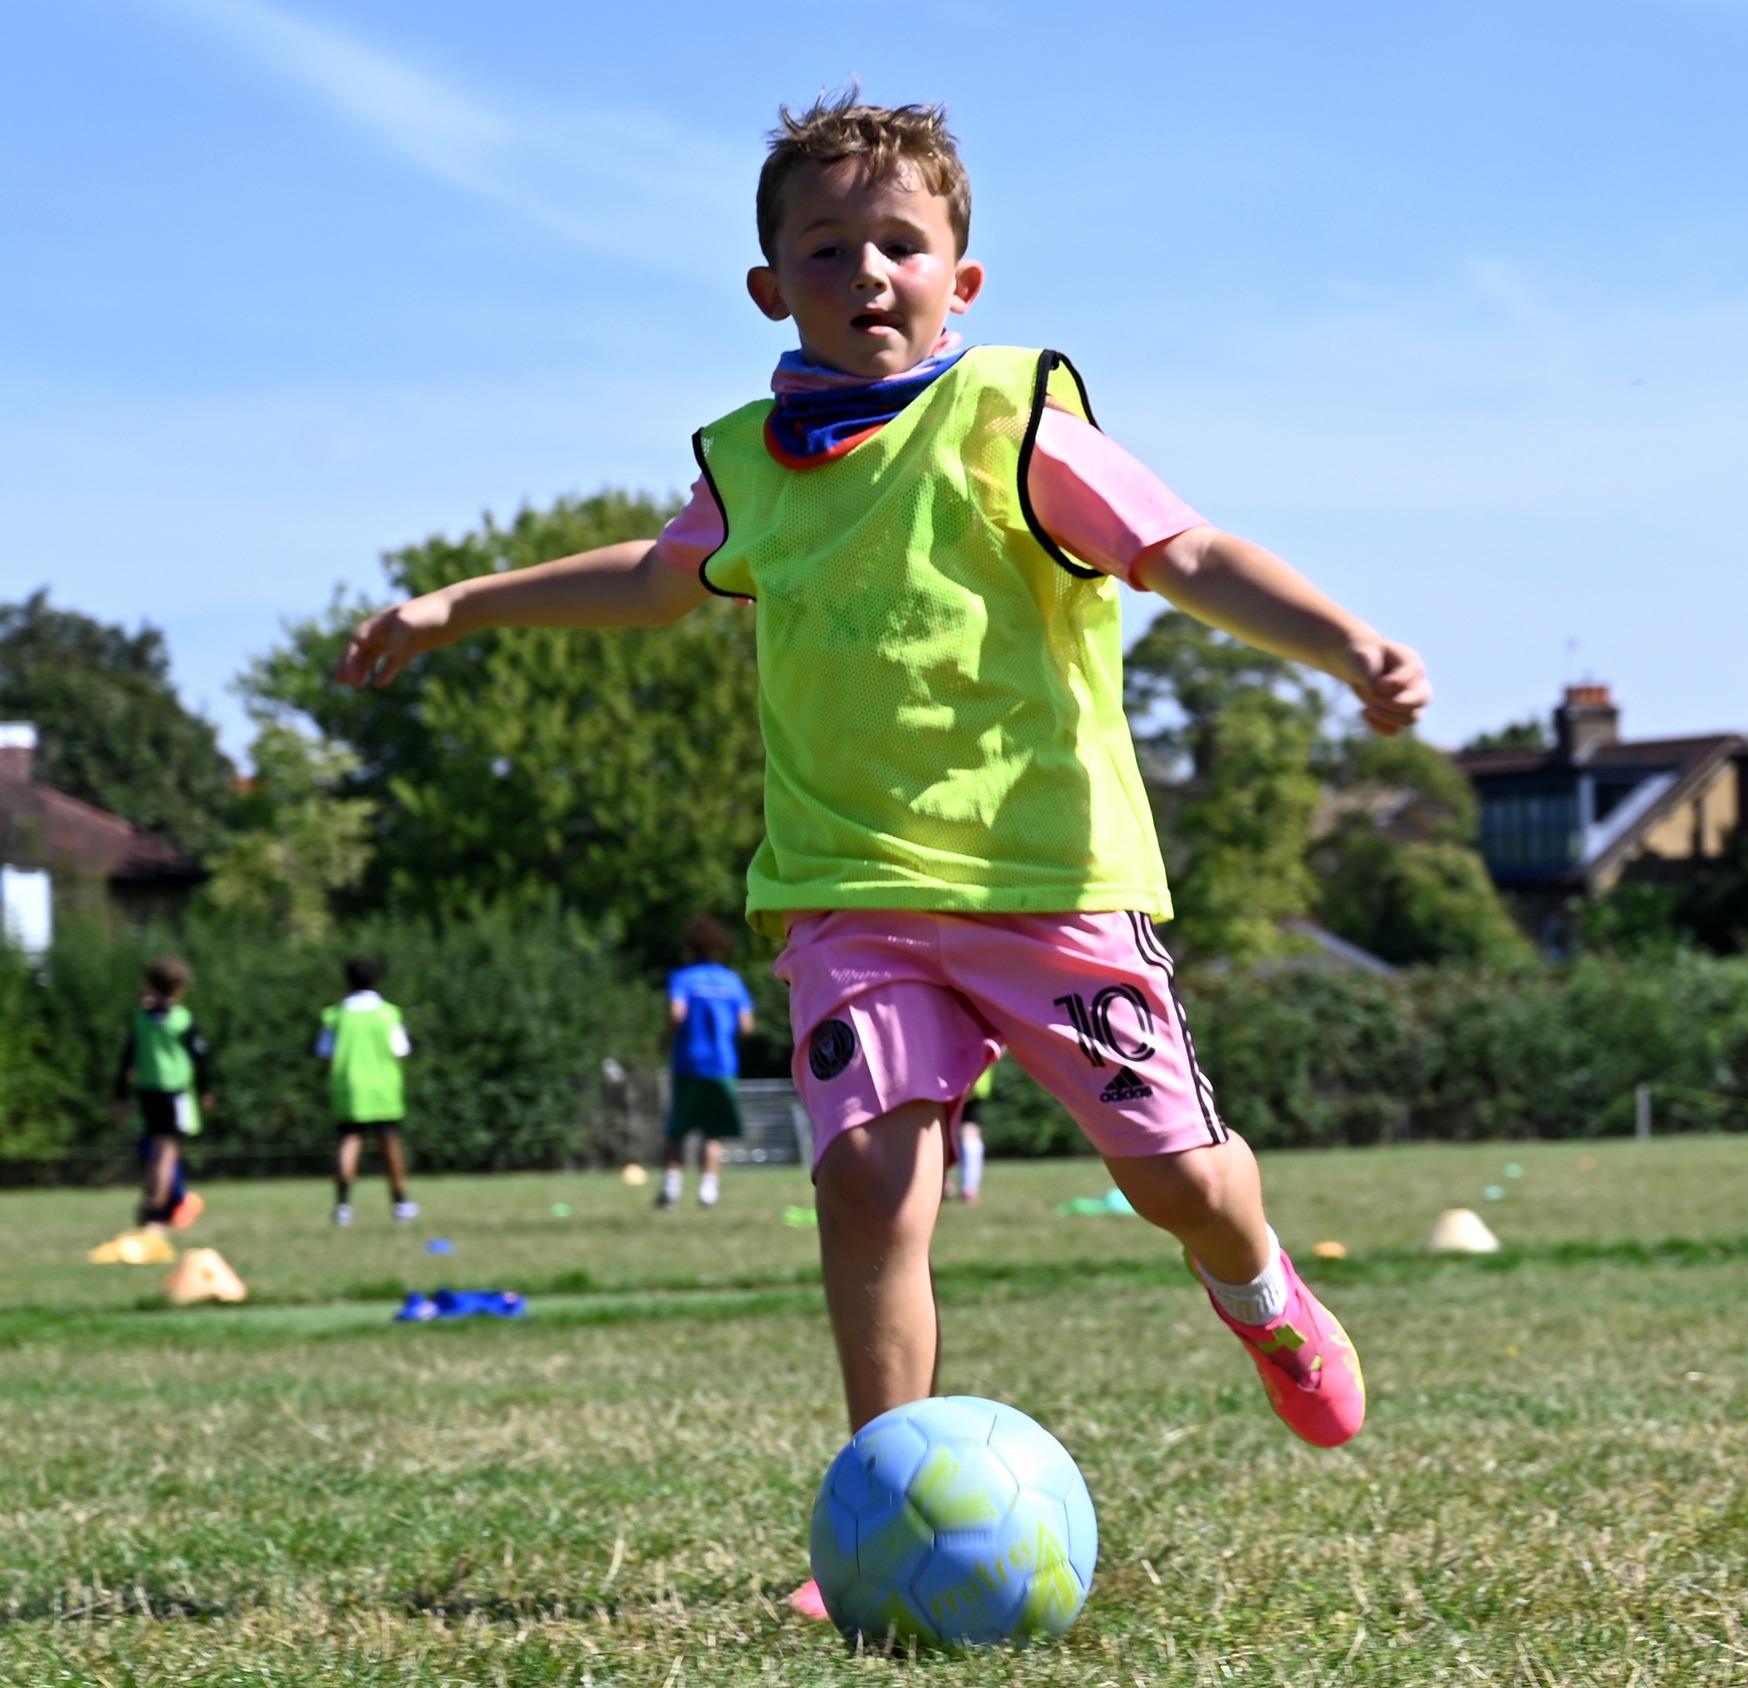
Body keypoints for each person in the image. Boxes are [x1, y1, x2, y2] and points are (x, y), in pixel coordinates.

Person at [337, 99, 1416, 1494]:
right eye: (829, 248)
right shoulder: (750, 466)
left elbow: (1185, 551)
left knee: (1184, 1185)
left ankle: (1261, 1291)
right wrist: (461, 607)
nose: (866, 275)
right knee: (866, 1188)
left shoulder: (1014, 419)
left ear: (961, 280)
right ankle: (883, 1492)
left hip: (1053, 887)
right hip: (849, 899)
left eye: (900, 245)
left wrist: (1344, 643)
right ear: (770, 288)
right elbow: (658, 580)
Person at [659, 913, 756, 1210]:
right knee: (712, 1131)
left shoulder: (683, 978)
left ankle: (671, 1191)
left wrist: (665, 1039)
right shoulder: (731, 981)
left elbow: (677, 1013)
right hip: (722, 1065)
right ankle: (708, 1191)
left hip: (688, 1063)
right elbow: (747, 1026)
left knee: (677, 1130)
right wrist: (727, 1039)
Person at [113, 956, 210, 1231]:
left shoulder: (140, 1019)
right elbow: (200, 1058)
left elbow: (127, 1059)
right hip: (174, 1092)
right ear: (179, 988)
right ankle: (155, 1211)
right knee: (167, 1153)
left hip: (147, 1092)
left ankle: (152, 1204)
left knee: (156, 1151)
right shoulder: (182, 1019)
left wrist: (119, 1096)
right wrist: (205, 1090)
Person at [319, 956, 416, 1225]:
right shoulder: (388, 1013)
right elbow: (400, 1051)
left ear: (348, 981)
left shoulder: (335, 1015)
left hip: (348, 1087)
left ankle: (342, 1206)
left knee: (349, 1142)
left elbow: (325, 1054)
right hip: (384, 1087)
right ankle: (401, 1202)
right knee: (389, 1143)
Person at [953, 1057, 999, 1205]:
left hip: (962, 1080)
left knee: (965, 1133)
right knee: (969, 1132)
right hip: (973, 1078)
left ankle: (966, 1188)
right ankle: (969, 1188)